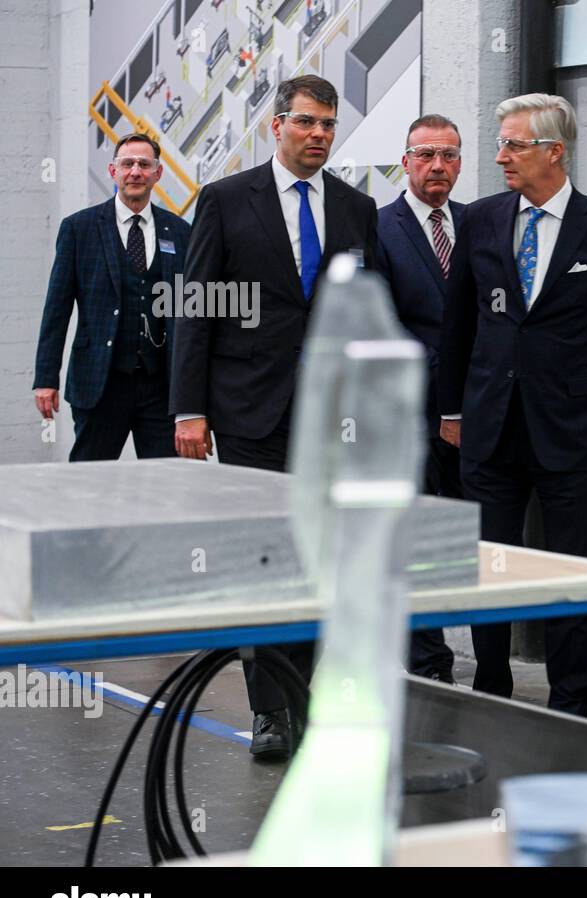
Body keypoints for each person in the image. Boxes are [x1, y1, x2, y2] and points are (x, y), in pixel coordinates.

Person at [438, 93, 587, 717]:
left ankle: (571, 707)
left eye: (514, 144)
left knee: (570, 574)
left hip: (574, 430)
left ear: (554, 152)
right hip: (489, 426)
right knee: (490, 568)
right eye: (502, 143)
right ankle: (492, 693)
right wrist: (450, 410)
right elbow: (457, 323)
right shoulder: (481, 220)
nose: (501, 156)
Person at [170, 74, 378, 758]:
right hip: (249, 410)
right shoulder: (228, 201)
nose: (318, 134)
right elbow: (196, 309)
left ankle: (307, 698)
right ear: (277, 125)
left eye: (327, 124)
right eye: (306, 123)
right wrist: (190, 411)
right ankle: (268, 711)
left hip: (334, 418)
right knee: (269, 560)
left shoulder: (356, 209)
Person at [374, 113, 468, 684]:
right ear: (405, 161)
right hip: (407, 414)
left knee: (467, 535)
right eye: (426, 154)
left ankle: (490, 666)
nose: (438, 166)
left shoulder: (480, 224)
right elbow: (381, 322)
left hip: (474, 413)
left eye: (450, 155)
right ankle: (429, 663)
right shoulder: (378, 227)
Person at [33, 132, 190, 461]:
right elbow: (56, 309)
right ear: (112, 171)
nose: (135, 171)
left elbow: (191, 313)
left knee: (170, 485)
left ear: (157, 174)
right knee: (88, 485)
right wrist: (46, 378)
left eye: (144, 165)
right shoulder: (79, 228)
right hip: (99, 384)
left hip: (160, 388)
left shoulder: (179, 231)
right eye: (127, 164)